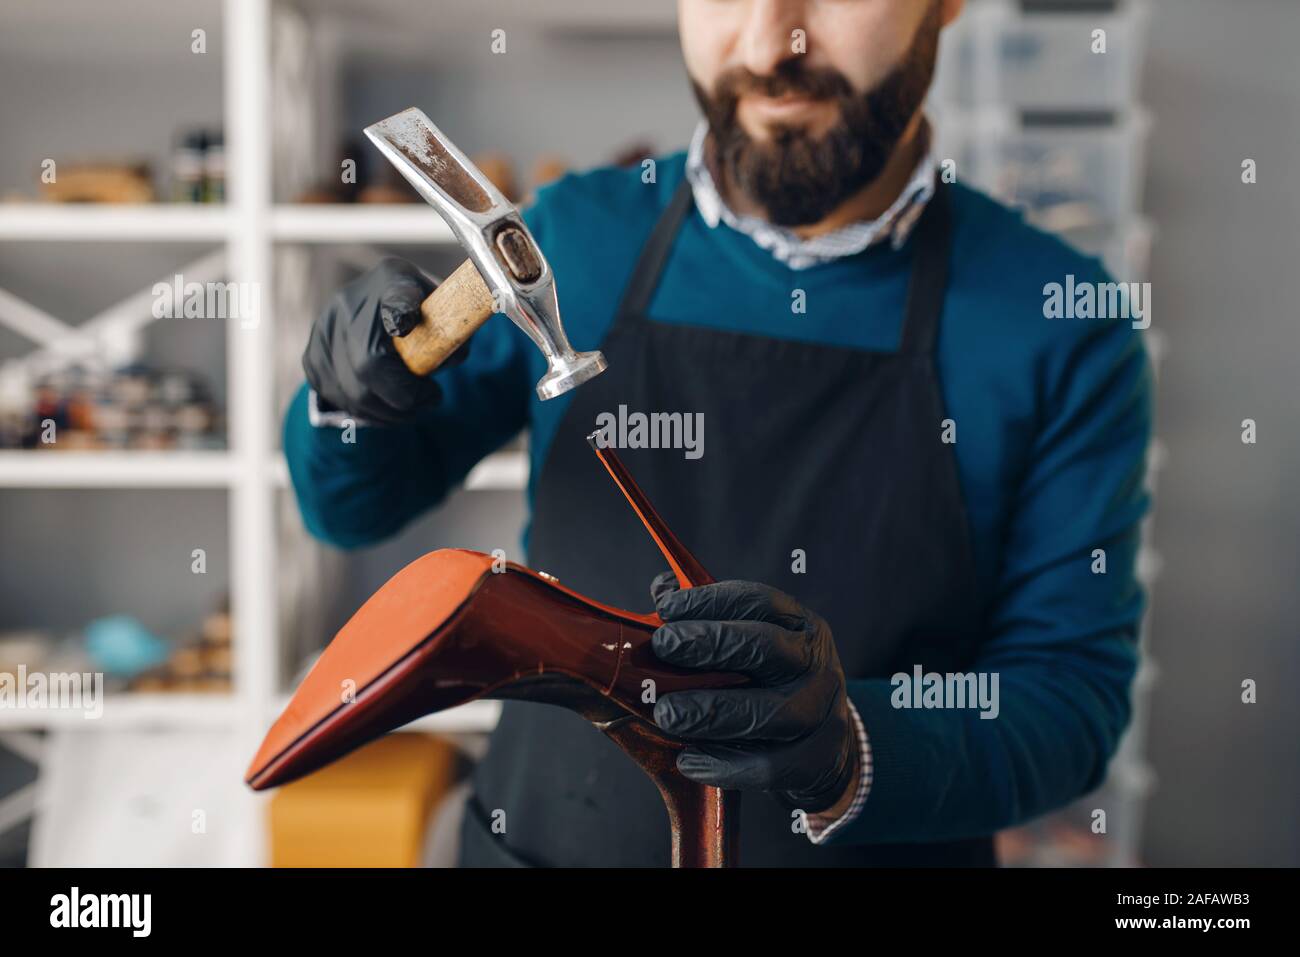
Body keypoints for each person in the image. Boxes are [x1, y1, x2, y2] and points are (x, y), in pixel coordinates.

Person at [285, 0, 1152, 866]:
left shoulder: (1060, 322)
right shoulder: (577, 236)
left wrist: (851, 745)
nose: (775, 42)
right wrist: (348, 398)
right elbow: (350, 509)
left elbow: (1069, 700)